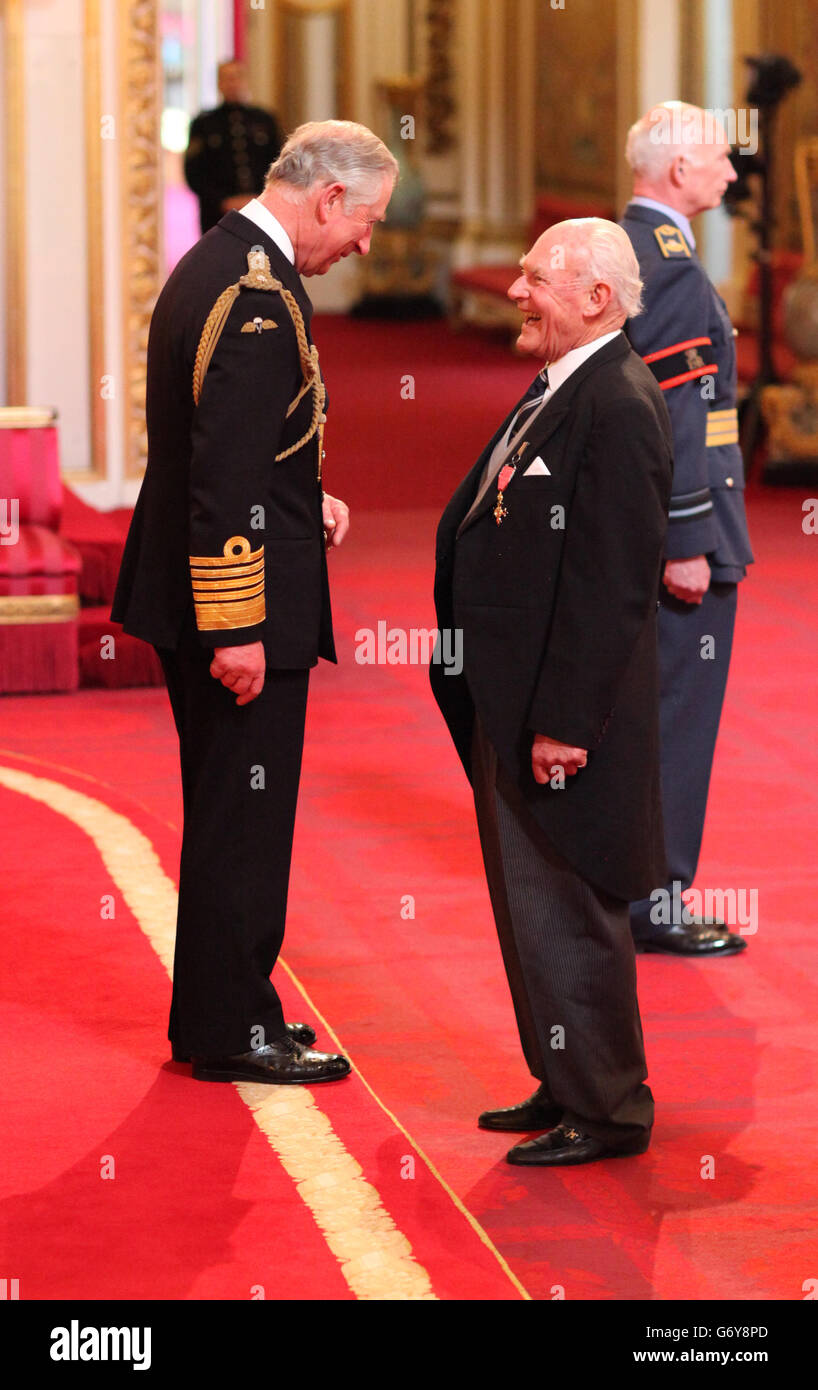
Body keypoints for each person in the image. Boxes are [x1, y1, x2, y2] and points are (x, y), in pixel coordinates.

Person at [112, 121, 397, 1085]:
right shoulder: (260, 301)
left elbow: (224, 447)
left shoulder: (223, 263)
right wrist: (235, 624)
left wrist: (296, 495)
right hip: (234, 609)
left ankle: (217, 1015)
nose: (364, 243)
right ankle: (235, 1027)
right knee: (245, 819)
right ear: (325, 199)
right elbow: (221, 471)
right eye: (363, 221)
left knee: (228, 811)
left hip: (209, 577)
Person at [431, 219, 672, 1166]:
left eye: (534, 280)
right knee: (528, 905)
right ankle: (562, 1076)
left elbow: (611, 585)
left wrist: (567, 723)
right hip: (511, 696)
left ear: (596, 298)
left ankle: (608, 1109)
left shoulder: (616, 402)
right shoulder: (561, 384)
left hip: (562, 717)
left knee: (568, 905)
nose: (516, 293)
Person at [621, 103, 754, 957]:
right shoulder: (666, 263)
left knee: (653, 710)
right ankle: (655, 897)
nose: (732, 174)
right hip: (684, 532)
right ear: (676, 172)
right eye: (717, 159)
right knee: (676, 715)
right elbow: (679, 406)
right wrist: (690, 538)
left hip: (654, 523)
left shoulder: (627, 246)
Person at [184, 59, 285, 234]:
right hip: (217, 215)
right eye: (227, 78)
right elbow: (194, 173)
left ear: (246, 81)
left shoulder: (264, 120)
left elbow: (280, 164)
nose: (233, 83)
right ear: (219, 84)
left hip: (262, 211)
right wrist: (222, 201)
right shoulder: (203, 124)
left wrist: (260, 198)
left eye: (237, 77)